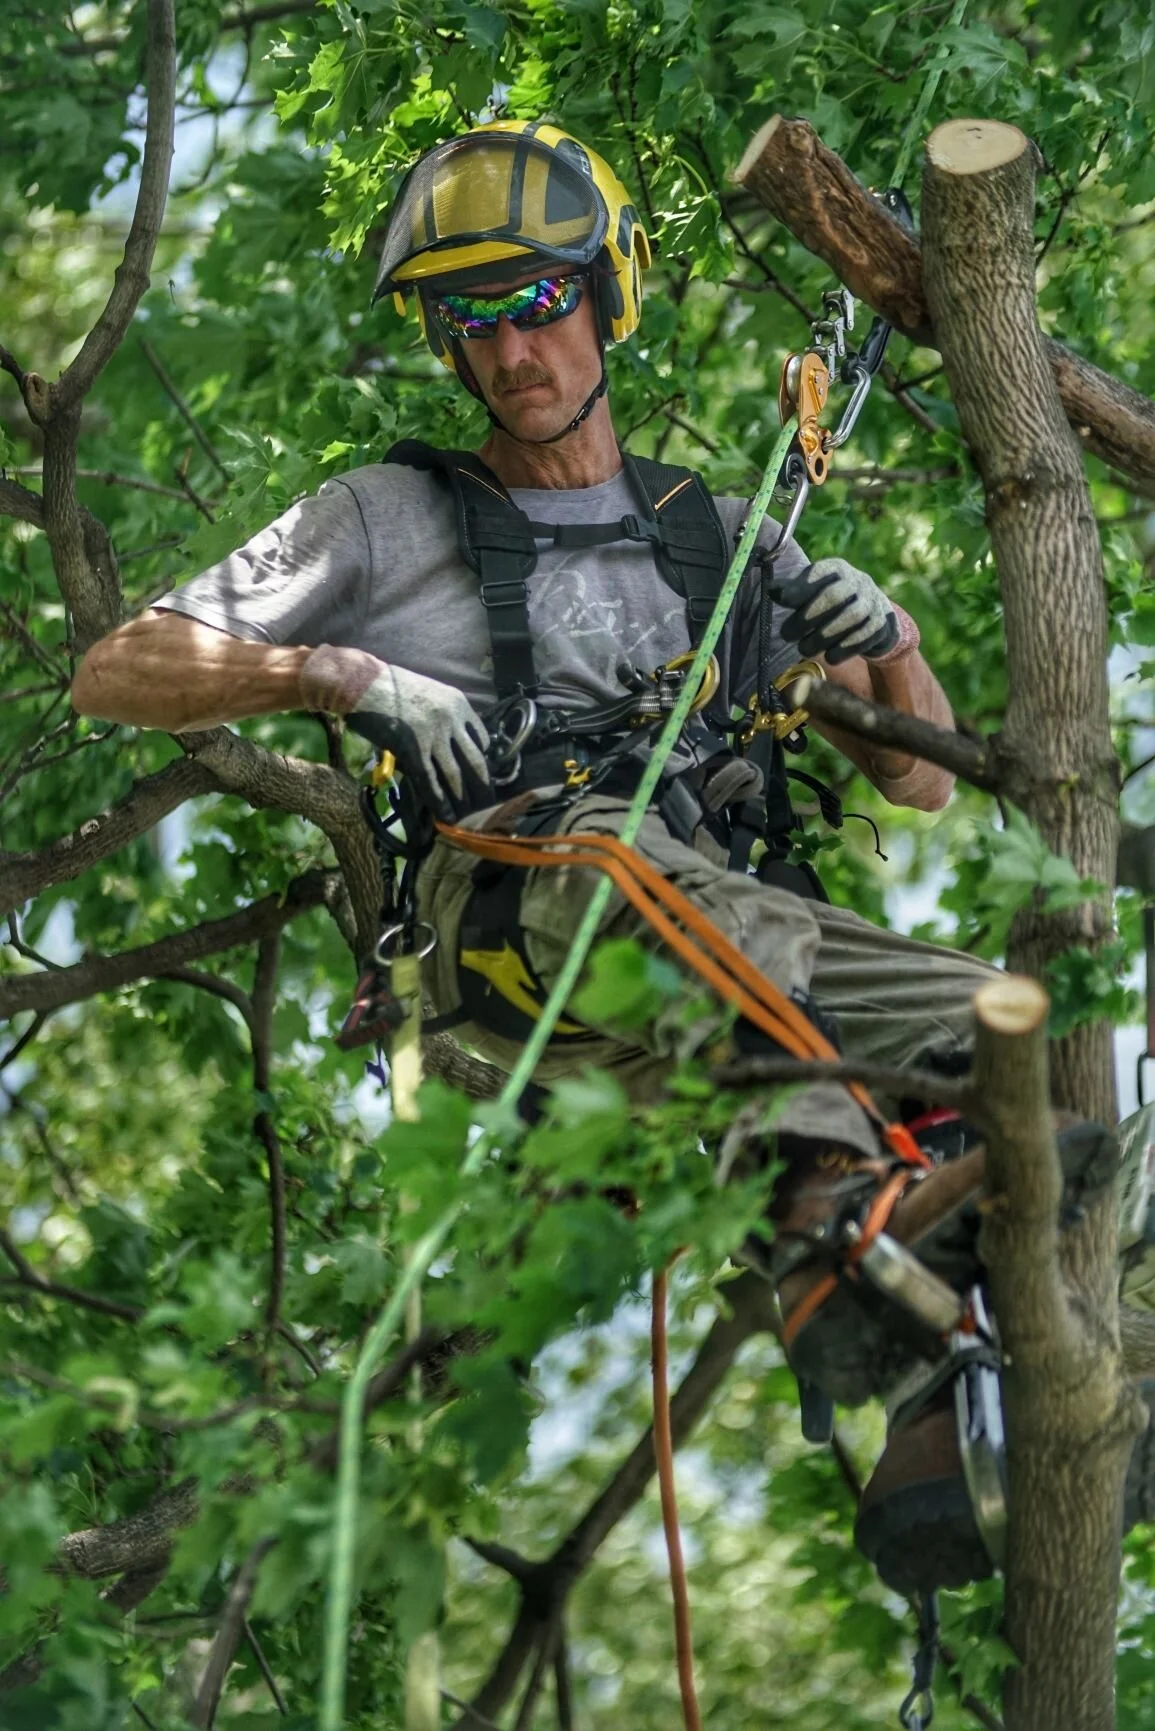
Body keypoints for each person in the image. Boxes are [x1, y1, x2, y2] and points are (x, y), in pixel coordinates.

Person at [70, 120, 1135, 1595]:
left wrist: (878, 637)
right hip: (521, 932)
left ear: (605, 293)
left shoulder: (713, 534)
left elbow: (918, 780)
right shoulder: (391, 513)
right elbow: (120, 668)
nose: (510, 349)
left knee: (1023, 1048)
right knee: (616, 855)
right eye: (470, 321)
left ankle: (940, 1419)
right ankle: (826, 1216)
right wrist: (345, 678)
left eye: (536, 302)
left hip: (728, 950)